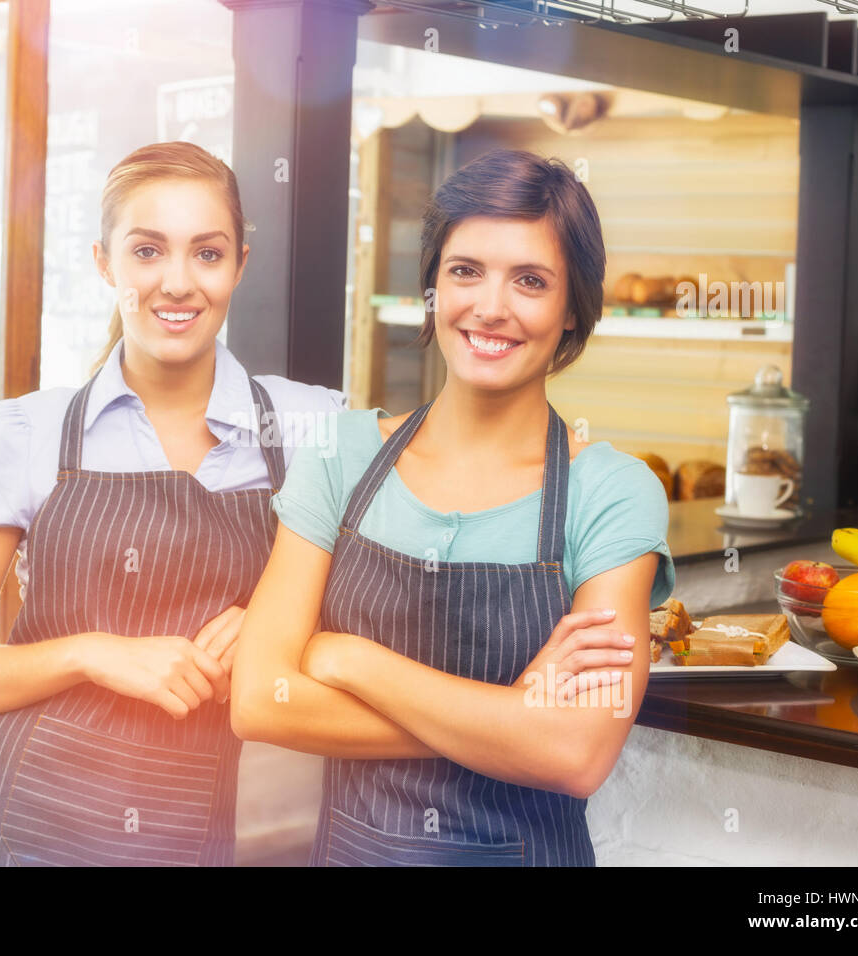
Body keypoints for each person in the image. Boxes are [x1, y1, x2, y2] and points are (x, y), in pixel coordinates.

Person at [0, 141, 349, 866]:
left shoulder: (308, 430)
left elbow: (424, 514)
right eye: (147, 252)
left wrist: (276, 617)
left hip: (187, 822)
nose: (178, 282)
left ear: (240, 263)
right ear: (105, 262)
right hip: (14, 817)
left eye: (207, 253)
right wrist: (91, 655)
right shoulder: (31, 432)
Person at [230, 148, 675, 866]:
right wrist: (511, 719)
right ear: (433, 288)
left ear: (571, 310)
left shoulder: (612, 494)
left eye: (530, 281)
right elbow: (260, 699)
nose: (490, 307)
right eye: (465, 271)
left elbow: (576, 752)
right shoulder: (338, 457)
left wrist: (348, 658)